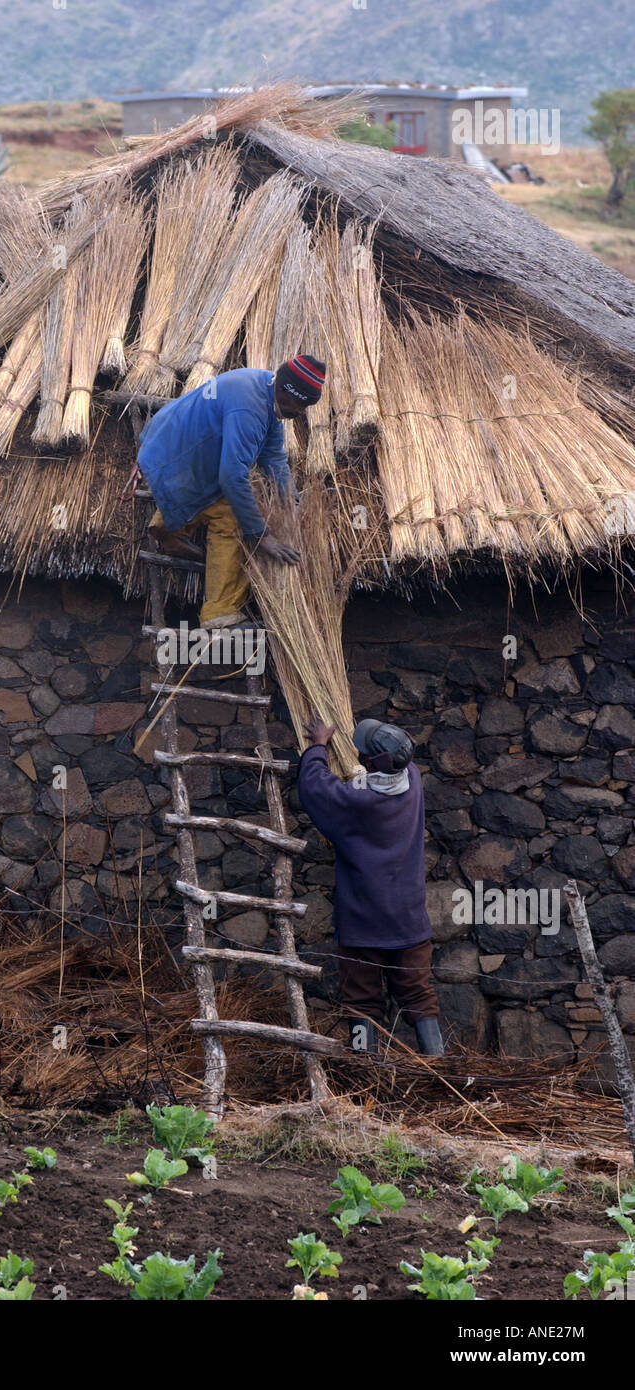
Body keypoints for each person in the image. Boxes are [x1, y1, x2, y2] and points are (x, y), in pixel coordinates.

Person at [134, 356, 326, 631]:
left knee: (218, 498)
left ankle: (165, 528)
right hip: (178, 457)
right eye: (298, 403)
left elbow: (273, 456)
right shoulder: (250, 408)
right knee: (232, 519)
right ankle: (219, 614)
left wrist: (291, 501)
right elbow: (232, 476)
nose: (299, 411)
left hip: (180, 448)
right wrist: (261, 536)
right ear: (285, 389)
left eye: (305, 406)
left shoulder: (263, 389)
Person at [297, 715, 445, 1056]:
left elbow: (315, 786)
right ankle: (438, 1065)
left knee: (362, 1000)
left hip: (363, 924)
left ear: (370, 763)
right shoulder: (413, 780)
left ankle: (365, 1067)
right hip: (409, 921)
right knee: (418, 995)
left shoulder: (356, 801)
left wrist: (318, 745)